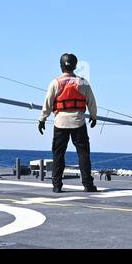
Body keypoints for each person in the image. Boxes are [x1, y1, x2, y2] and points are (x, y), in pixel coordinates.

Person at [37, 53, 98, 193]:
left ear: (60, 66)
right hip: (79, 123)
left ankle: (57, 185)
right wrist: (94, 116)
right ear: (75, 66)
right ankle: (88, 184)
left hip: (60, 123)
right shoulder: (83, 82)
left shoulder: (55, 82)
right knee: (83, 155)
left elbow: (47, 103)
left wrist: (42, 119)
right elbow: (91, 102)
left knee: (58, 155)